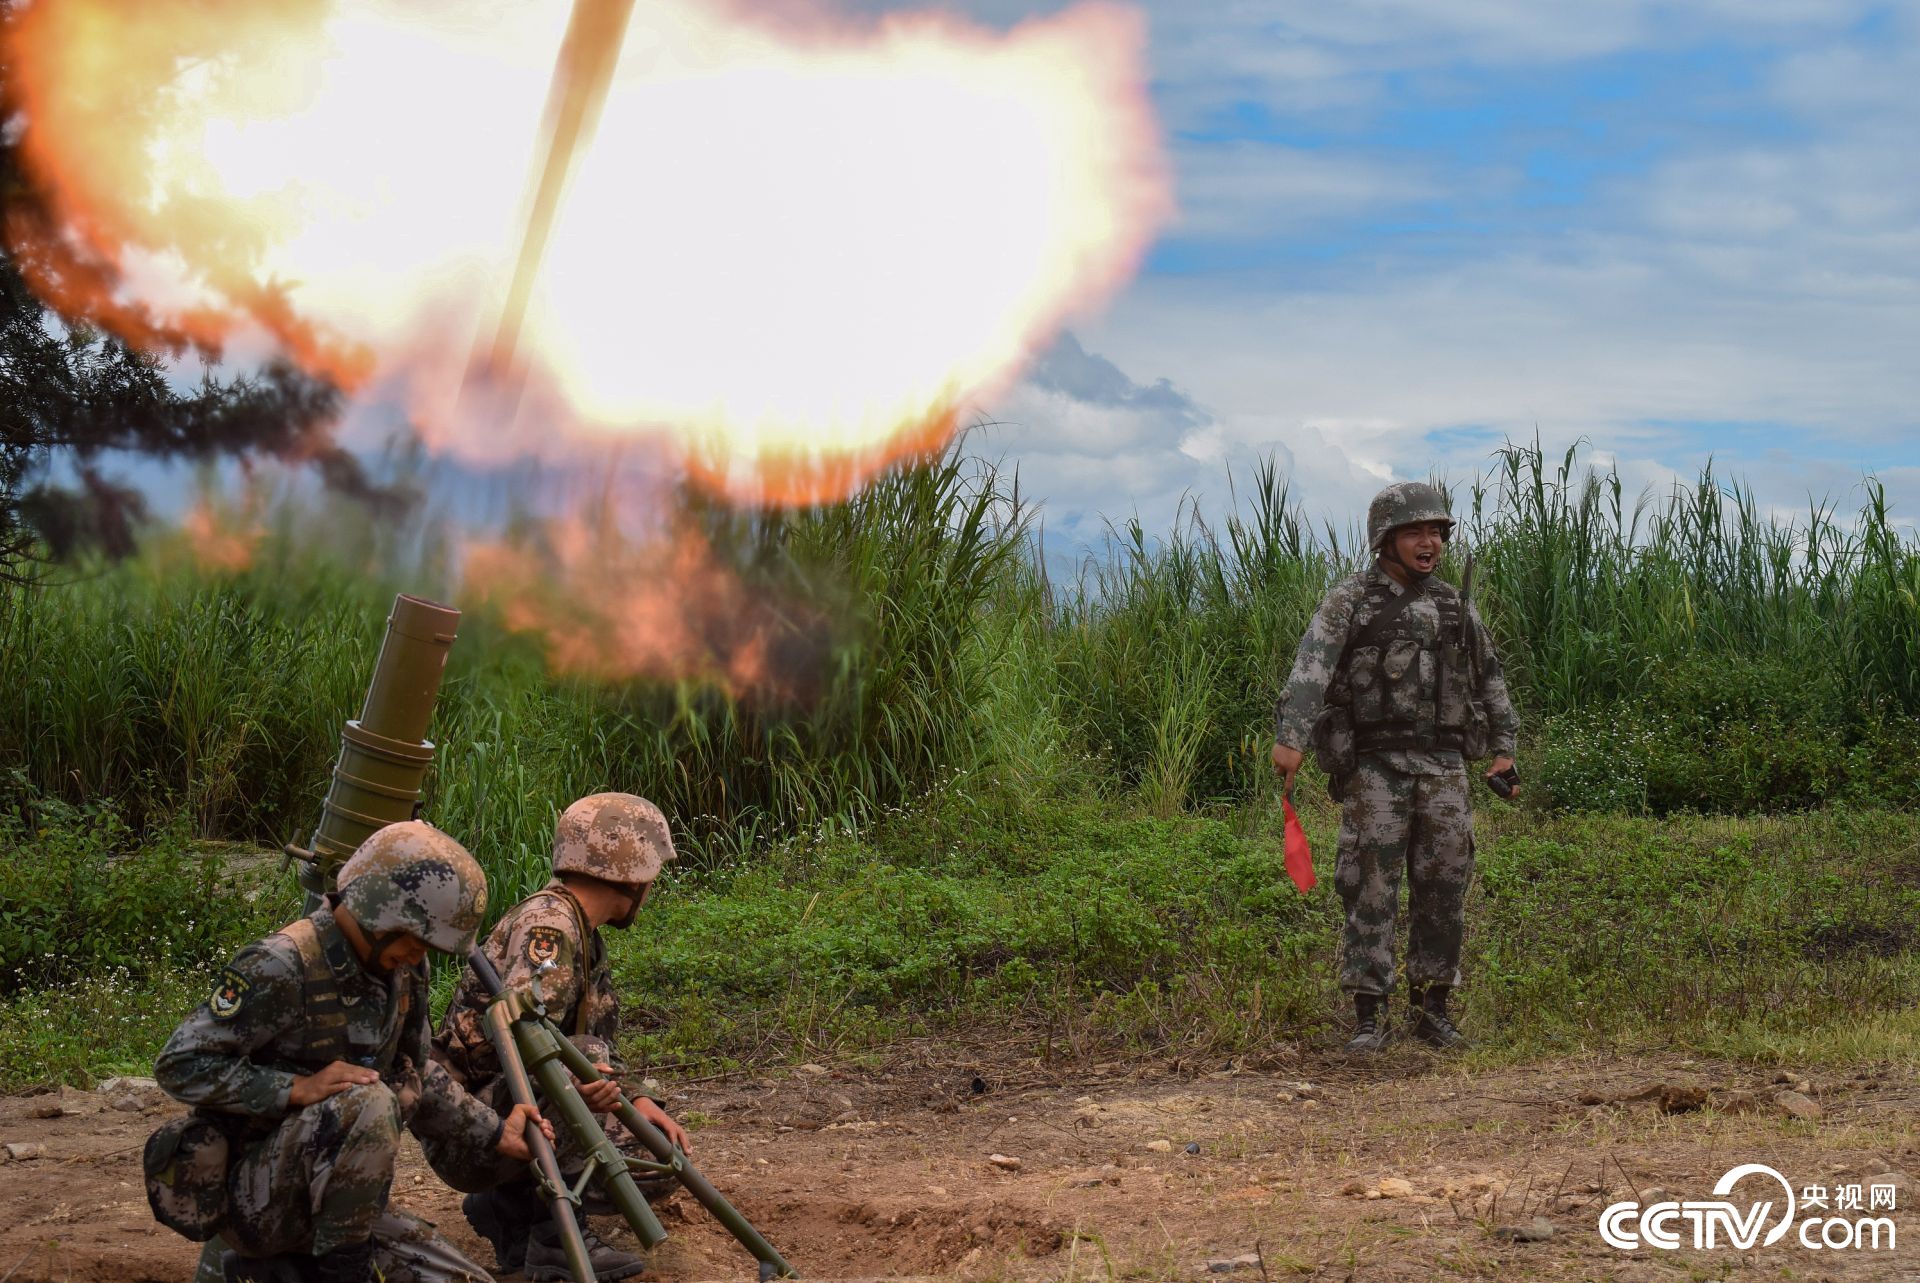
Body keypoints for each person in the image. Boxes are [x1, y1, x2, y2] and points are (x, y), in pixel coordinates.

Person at [148, 821, 553, 1283]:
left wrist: (497, 1132)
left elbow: (416, 1074)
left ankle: (315, 1268)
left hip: (340, 1213)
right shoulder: (281, 964)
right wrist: (295, 1088)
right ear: (378, 912)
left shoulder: (405, 972)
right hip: (257, 1200)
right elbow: (180, 1064)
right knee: (370, 1099)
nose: (418, 954)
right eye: (414, 940)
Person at [1270, 481, 1519, 1053]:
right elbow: (1311, 666)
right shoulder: (1352, 600)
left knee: (1445, 886)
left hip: (1445, 768)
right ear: (1386, 538)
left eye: (1437, 532)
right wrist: (1292, 740)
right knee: (1371, 888)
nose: (1429, 543)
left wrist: (1503, 747)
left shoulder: (1456, 604)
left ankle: (1433, 1009)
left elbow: (1491, 678)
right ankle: (1368, 1016)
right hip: (1377, 768)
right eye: (1416, 532)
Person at [433, 792, 691, 1281]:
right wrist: (587, 1079)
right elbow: (525, 1039)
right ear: (631, 872)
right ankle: (555, 1237)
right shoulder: (551, 927)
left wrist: (635, 1097)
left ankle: (509, 1215)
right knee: (636, 1146)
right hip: (473, 1129)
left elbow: (588, 1044)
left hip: (497, 1112)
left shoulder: (578, 928)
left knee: (651, 1144)